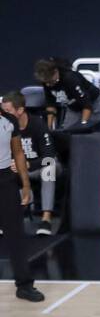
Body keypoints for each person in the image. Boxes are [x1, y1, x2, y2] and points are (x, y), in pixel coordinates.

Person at [0, 102, 43, 301]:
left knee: (15, 234)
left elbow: (18, 152)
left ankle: (24, 285)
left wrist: (25, 184)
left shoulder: (9, 121)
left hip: (6, 179)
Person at [1, 92, 58, 235]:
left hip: (40, 167)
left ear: (20, 111)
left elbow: (50, 157)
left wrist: (28, 165)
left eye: (7, 111)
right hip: (19, 170)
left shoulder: (38, 124)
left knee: (49, 169)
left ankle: (46, 219)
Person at [33, 57, 100, 131]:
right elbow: (50, 105)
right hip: (73, 107)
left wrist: (83, 126)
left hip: (94, 104)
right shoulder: (46, 82)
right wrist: (49, 128)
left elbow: (87, 104)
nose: (48, 85)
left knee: (99, 133)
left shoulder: (70, 79)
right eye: (46, 82)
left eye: (50, 81)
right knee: (67, 133)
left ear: (56, 72)